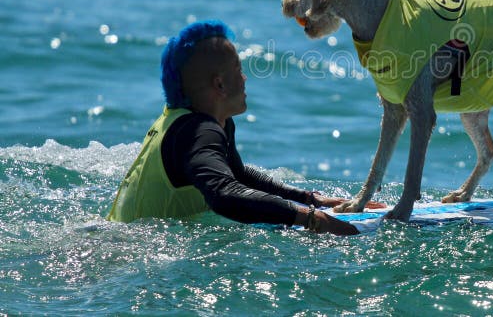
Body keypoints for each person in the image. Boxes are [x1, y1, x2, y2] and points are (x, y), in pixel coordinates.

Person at [108, 20, 373, 235]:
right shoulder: (198, 132)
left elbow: (236, 175)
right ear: (220, 85)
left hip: (127, 240)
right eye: (238, 69)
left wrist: (309, 200)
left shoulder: (189, 120)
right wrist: (314, 220)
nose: (245, 78)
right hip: (131, 257)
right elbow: (224, 193)